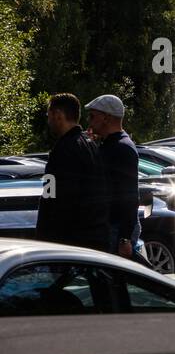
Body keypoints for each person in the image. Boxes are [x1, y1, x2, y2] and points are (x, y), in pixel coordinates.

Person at [35, 93, 110, 250]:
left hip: (70, 240)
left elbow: (51, 195)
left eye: (49, 116)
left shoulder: (62, 150)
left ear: (58, 115)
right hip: (95, 235)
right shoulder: (90, 145)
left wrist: (45, 237)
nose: (48, 121)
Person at [86, 94, 144, 262]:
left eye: (92, 116)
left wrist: (125, 238)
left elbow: (130, 196)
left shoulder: (121, 148)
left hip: (117, 228)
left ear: (106, 117)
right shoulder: (110, 144)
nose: (89, 122)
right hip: (111, 226)